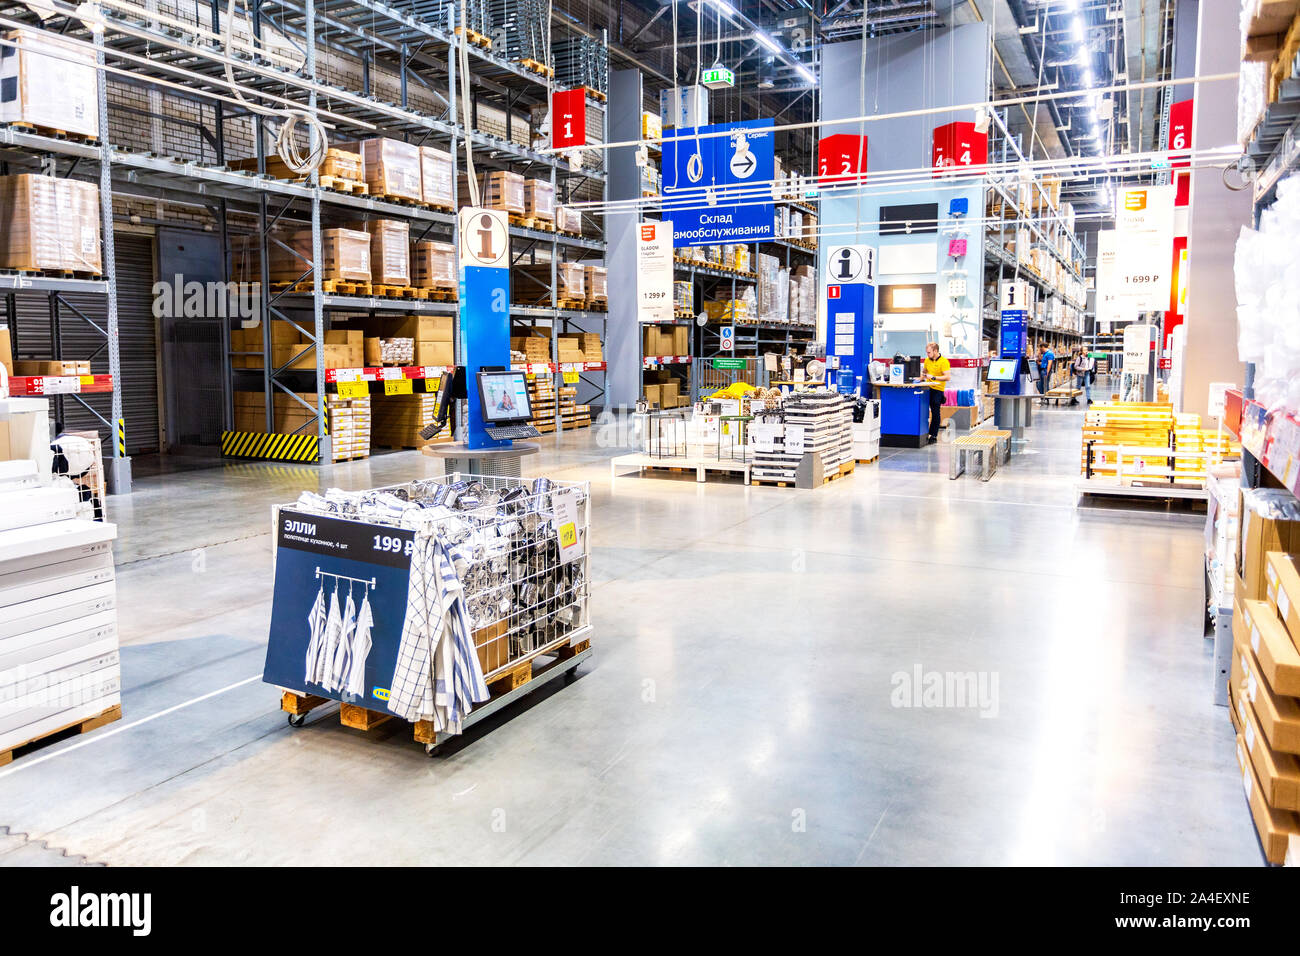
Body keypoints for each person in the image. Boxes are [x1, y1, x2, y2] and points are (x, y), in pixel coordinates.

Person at [921, 341, 951, 444]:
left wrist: (934, 377)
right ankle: (923, 433)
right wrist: (917, 379)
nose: (927, 354)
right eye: (927, 352)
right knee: (923, 411)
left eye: (929, 352)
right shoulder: (927, 360)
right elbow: (924, 373)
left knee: (935, 412)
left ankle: (933, 435)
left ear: (935, 351)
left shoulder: (944, 362)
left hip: (937, 390)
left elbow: (947, 377)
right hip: (927, 388)